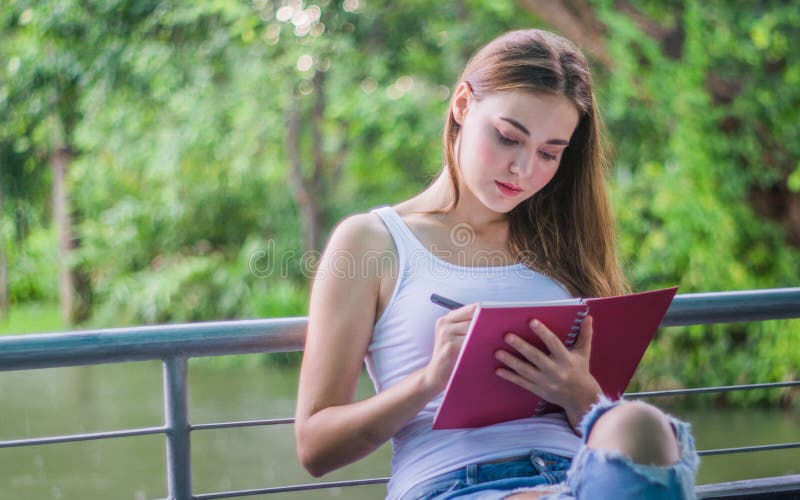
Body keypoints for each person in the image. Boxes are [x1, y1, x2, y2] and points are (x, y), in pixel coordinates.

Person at [294, 29, 699, 499]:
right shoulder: (371, 241)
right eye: (509, 137)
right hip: (454, 485)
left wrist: (580, 394)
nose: (524, 170)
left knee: (642, 427)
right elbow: (315, 446)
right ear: (463, 105)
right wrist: (429, 381)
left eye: (549, 153)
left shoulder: (564, 242)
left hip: (577, 476)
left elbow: (613, 439)